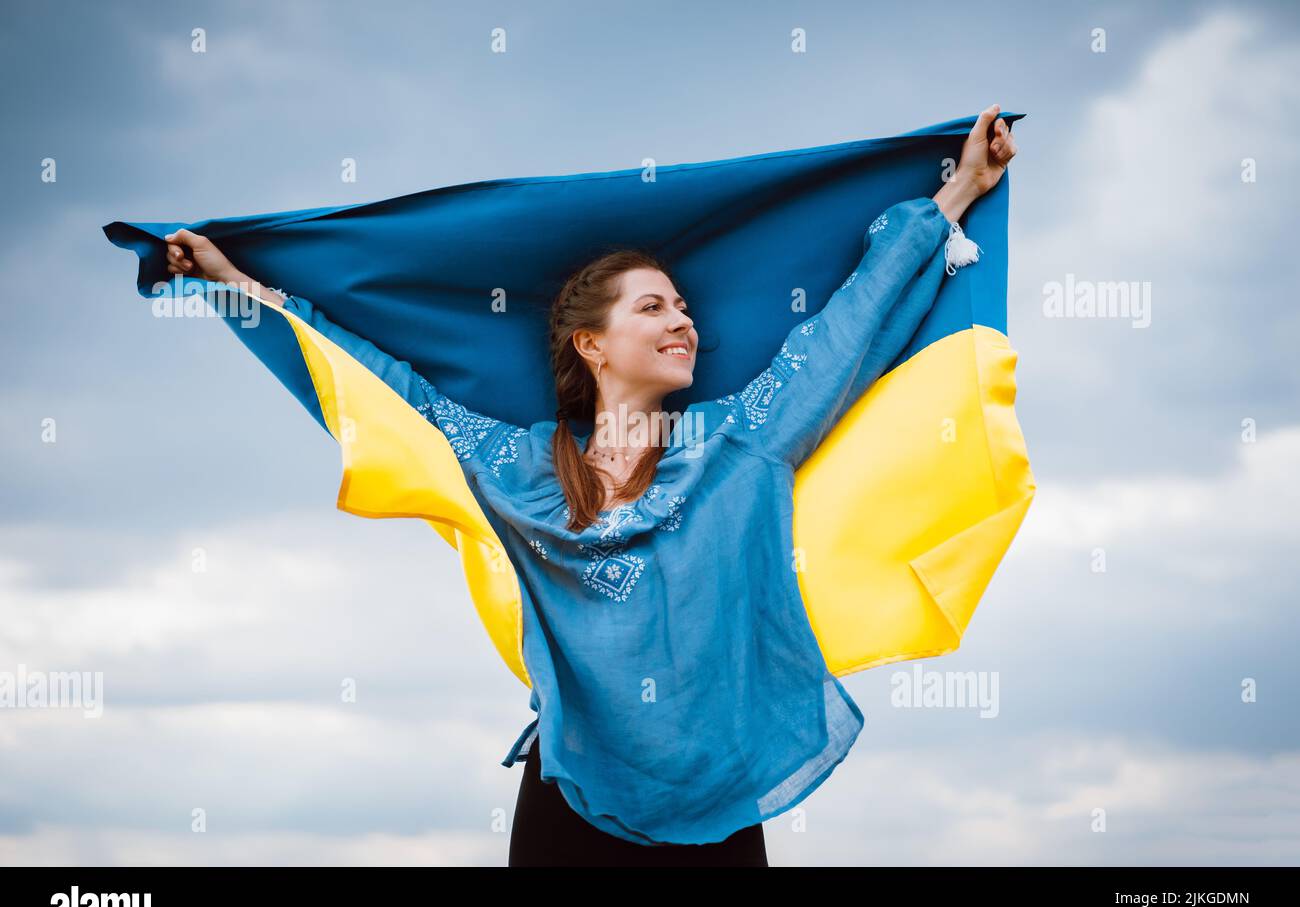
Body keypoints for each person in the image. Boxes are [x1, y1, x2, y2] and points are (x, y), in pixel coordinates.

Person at [161, 105, 1017, 866]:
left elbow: (848, 327)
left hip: (718, 808)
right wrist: (239, 288)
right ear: (592, 346)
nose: (682, 320)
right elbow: (376, 387)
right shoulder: (514, 467)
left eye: (683, 308)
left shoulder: (741, 444)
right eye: (651, 308)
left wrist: (955, 196)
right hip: (567, 799)